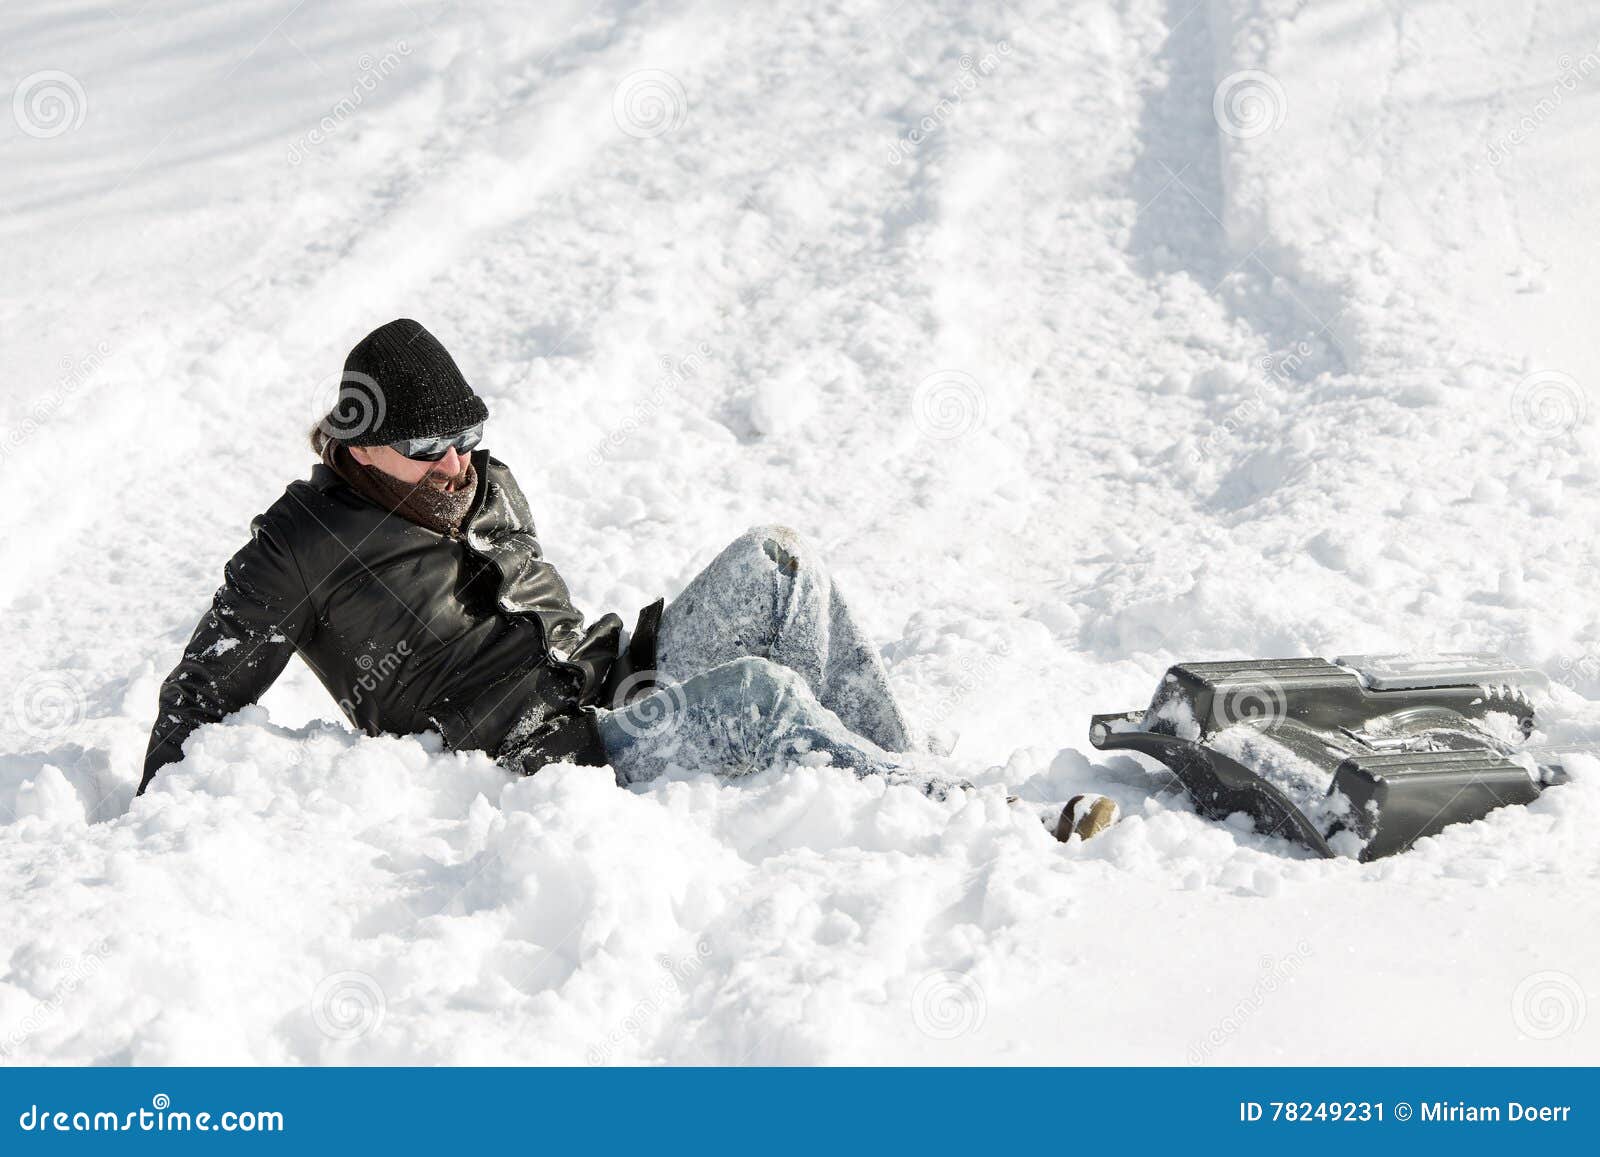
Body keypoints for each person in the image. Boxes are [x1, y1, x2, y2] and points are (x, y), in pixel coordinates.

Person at [140, 319, 958, 803]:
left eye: (464, 440)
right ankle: (941, 814)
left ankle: (901, 767)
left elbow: (549, 624)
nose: (455, 465)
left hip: (613, 692)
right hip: (556, 768)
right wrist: (159, 823)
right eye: (428, 448)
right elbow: (200, 692)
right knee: (761, 695)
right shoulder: (301, 544)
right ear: (360, 443)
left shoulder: (487, 484)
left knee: (778, 565)